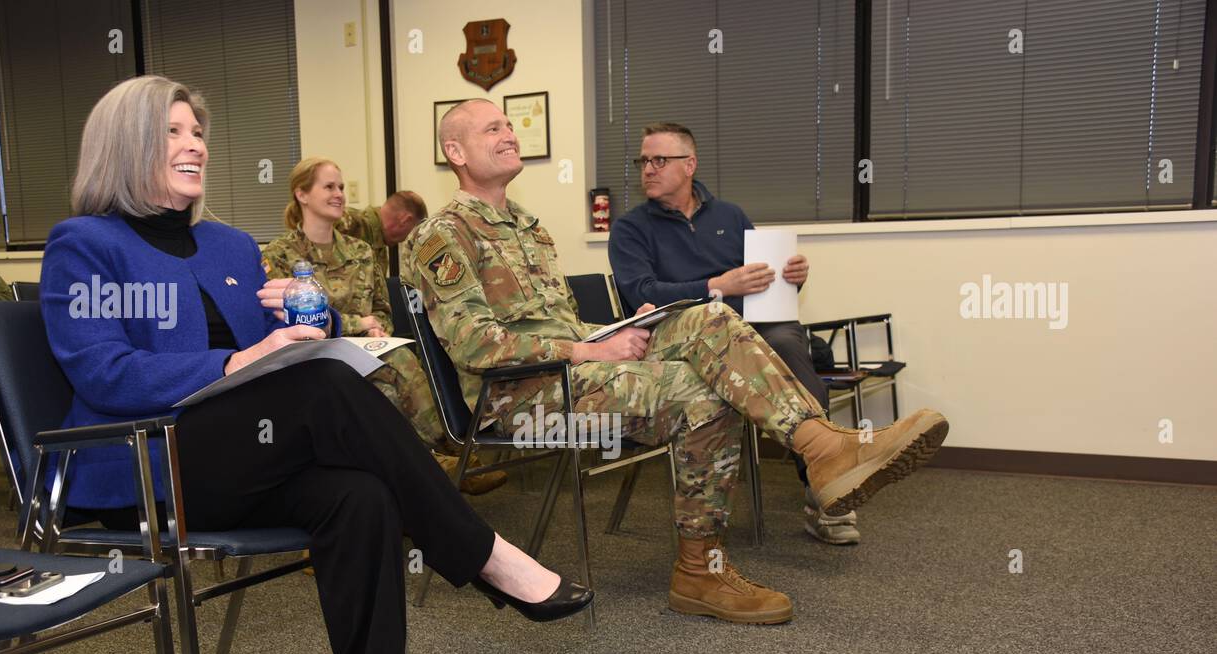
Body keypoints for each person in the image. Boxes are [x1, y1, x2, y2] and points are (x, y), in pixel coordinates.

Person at [41, 76, 592, 654]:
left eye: (197, 132)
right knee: (326, 391)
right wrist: (232, 361)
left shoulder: (230, 245)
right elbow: (101, 369)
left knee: (360, 497)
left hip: (246, 457)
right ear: (124, 144)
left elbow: (291, 341)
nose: (195, 144)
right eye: (173, 132)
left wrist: (310, 310)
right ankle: (485, 553)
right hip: (152, 463)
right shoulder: (85, 245)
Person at [403, 99, 949, 626]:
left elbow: (559, 327)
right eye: (491, 129)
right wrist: (588, 349)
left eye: (509, 125)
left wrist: (617, 330)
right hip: (520, 398)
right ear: (455, 151)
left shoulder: (527, 227)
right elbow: (474, 345)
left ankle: (820, 446)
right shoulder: (442, 234)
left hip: (573, 370)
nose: (509, 134)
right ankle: (699, 569)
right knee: (702, 393)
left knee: (709, 320)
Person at [608, 122, 855, 545]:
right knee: (773, 346)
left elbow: (765, 280)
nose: (647, 169)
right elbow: (641, 294)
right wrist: (718, 286)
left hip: (753, 324)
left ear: (689, 165)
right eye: (643, 161)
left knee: (786, 342)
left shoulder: (730, 216)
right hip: (681, 336)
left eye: (659, 160)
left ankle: (822, 486)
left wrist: (792, 277)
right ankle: (830, 463)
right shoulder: (631, 229)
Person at [262, 158, 505, 495]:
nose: (339, 194)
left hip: (366, 351)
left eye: (341, 187)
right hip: (313, 356)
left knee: (397, 364)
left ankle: (438, 463)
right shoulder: (281, 255)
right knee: (391, 374)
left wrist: (378, 329)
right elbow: (290, 317)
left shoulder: (361, 251)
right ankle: (444, 461)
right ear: (302, 194)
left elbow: (381, 308)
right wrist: (358, 323)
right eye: (329, 187)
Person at [338, 190, 427, 277]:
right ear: (405, 220)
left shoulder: (380, 247)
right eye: (413, 233)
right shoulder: (347, 222)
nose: (409, 239)